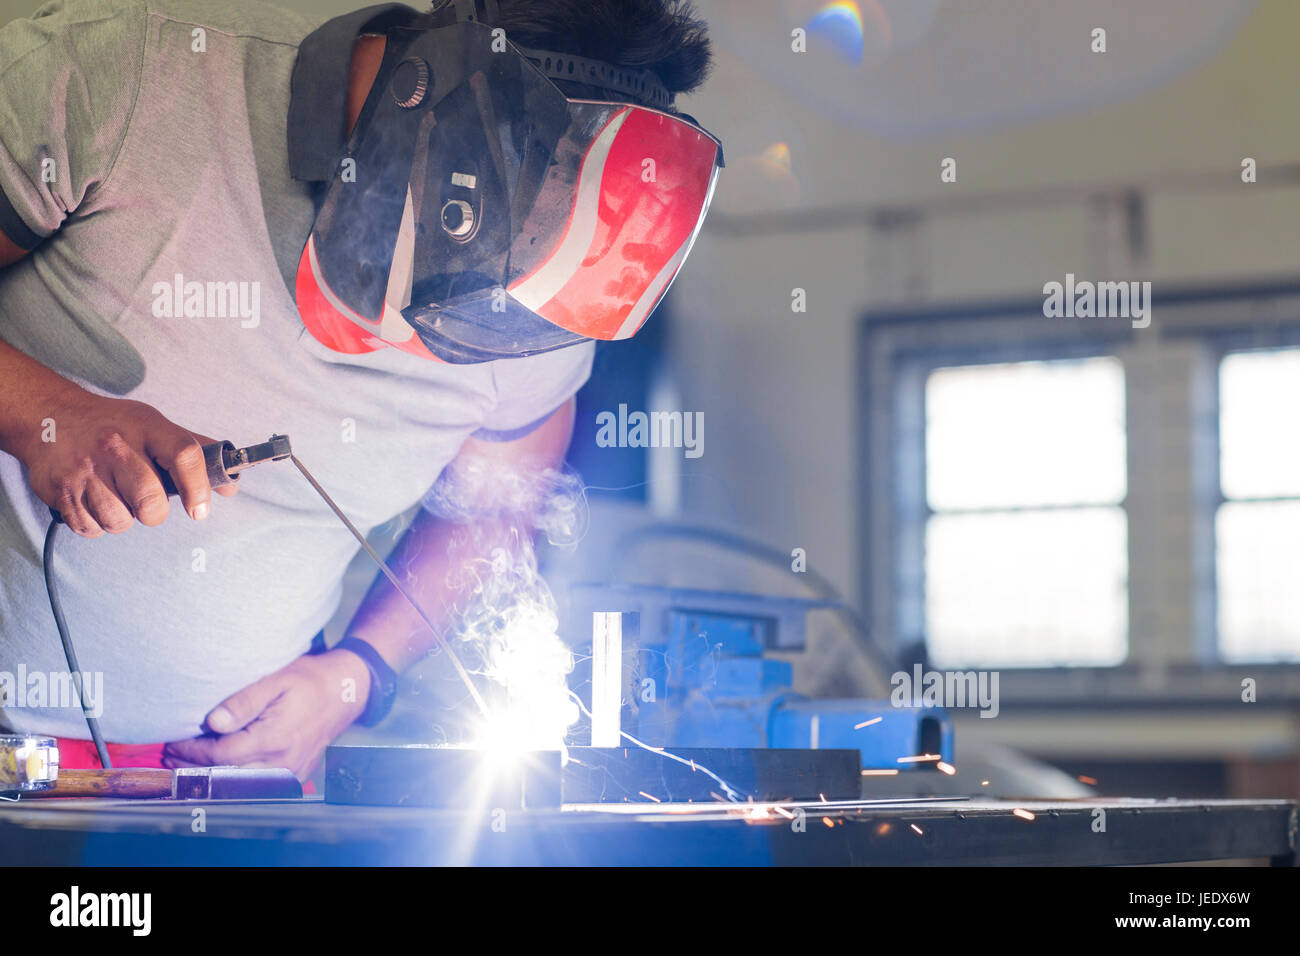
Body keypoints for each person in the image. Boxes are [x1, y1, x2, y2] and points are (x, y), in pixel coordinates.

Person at [0, 0, 719, 780]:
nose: (443, 349)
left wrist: (357, 673)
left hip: (223, 790)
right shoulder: (129, 77)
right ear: (426, 96)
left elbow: (499, 507)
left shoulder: (549, 290)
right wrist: (44, 413)